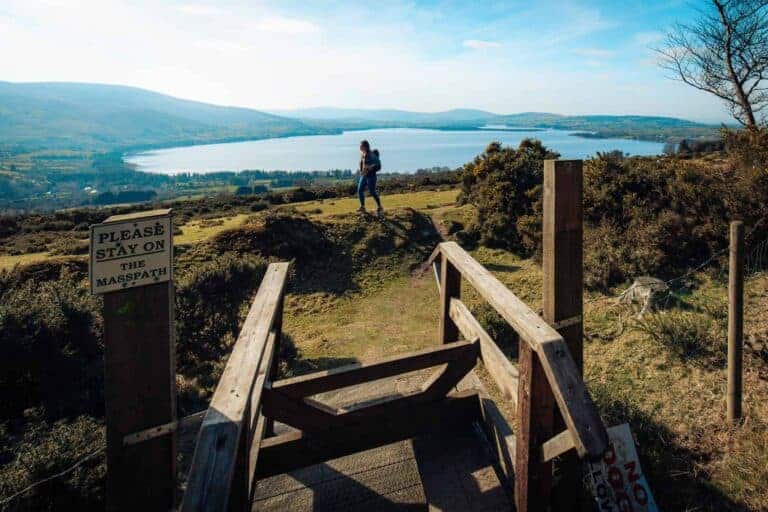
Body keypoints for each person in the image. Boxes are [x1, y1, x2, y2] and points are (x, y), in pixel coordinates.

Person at [357, 140, 383, 217]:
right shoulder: (363, 154)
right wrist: (361, 170)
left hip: (371, 176)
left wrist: (371, 168)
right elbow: (362, 163)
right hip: (364, 176)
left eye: (361, 146)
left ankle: (380, 207)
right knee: (360, 190)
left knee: (372, 192)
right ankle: (363, 207)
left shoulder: (371, 154)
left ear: (365, 146)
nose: (360, 147)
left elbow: (378, 165)